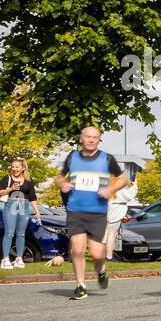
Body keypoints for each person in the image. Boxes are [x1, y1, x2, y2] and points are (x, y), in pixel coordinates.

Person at [55, 126, 127, 300]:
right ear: (81, 138)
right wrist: (62, 184)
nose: (91, 140)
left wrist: (110, 189)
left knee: (96, 254)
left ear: (99, 139)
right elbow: (59, 177)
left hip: (97, 213)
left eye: (95, 137)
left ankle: (101, 270)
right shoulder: (72, 157)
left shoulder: (107, 159)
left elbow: (123, 179)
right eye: (88, 136)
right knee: (78, 250)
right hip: (75, 211)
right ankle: (81, 286)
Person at [0, 158, 41, 268]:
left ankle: (19, 258)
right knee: (9, 233)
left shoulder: (29, 182)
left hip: (23, 207)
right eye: (13, 166)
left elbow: (32, 198)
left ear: (23, 168)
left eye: (17, 167)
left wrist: (37, 212)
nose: (14, 169)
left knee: (21, 234)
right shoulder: (7, 178)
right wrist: (11, 188)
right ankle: (5, 259)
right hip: (11, 206)